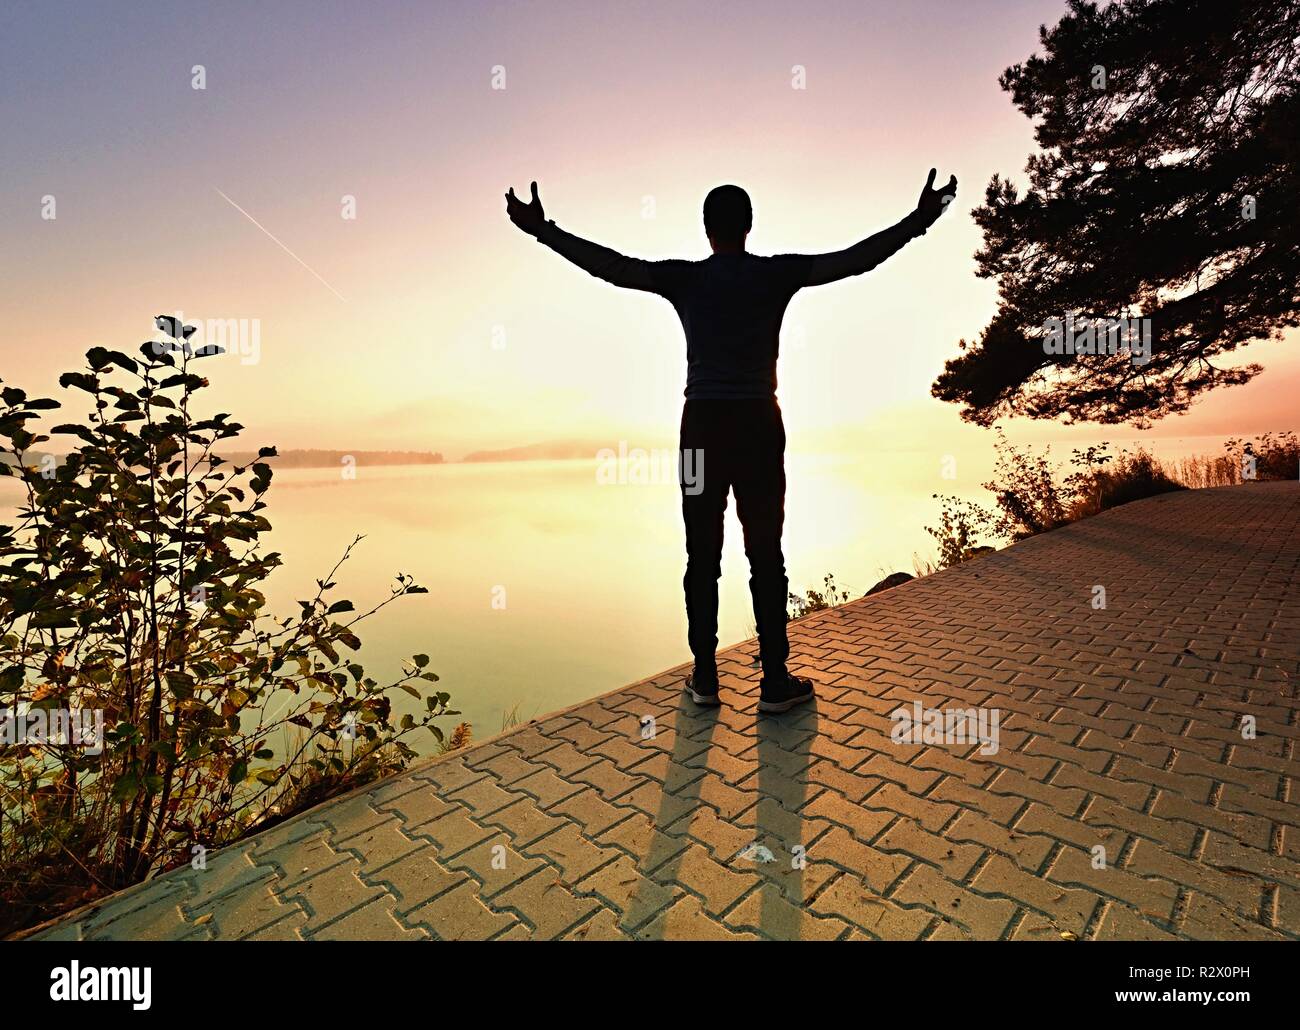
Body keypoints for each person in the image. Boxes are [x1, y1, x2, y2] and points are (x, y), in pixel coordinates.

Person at [505, 170, 956, 713]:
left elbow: (615, 268)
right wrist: (921, 220)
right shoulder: (775, 275)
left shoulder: (686, 279)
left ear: (706, 229)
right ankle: (774, 681)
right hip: (759, 427)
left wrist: (543, 231)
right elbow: (856, 259)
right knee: (766, 553)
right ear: (749, 225)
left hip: (700, 432)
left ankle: (706, 678)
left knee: (702, 555)